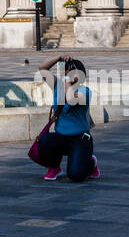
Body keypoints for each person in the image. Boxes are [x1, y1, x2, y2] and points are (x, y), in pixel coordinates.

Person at [35, 54, 100, 183]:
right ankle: (54, 167)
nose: (70, 74)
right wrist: (58, 58)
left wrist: (67, 80)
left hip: (80, 139)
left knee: (76, 176)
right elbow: (42, 69)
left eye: (74, 71)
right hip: (62, 138)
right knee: (44, 140)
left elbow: (71, 99)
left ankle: (90, 162)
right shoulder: (57, 87)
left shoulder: (84, 91)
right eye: (68, 70)